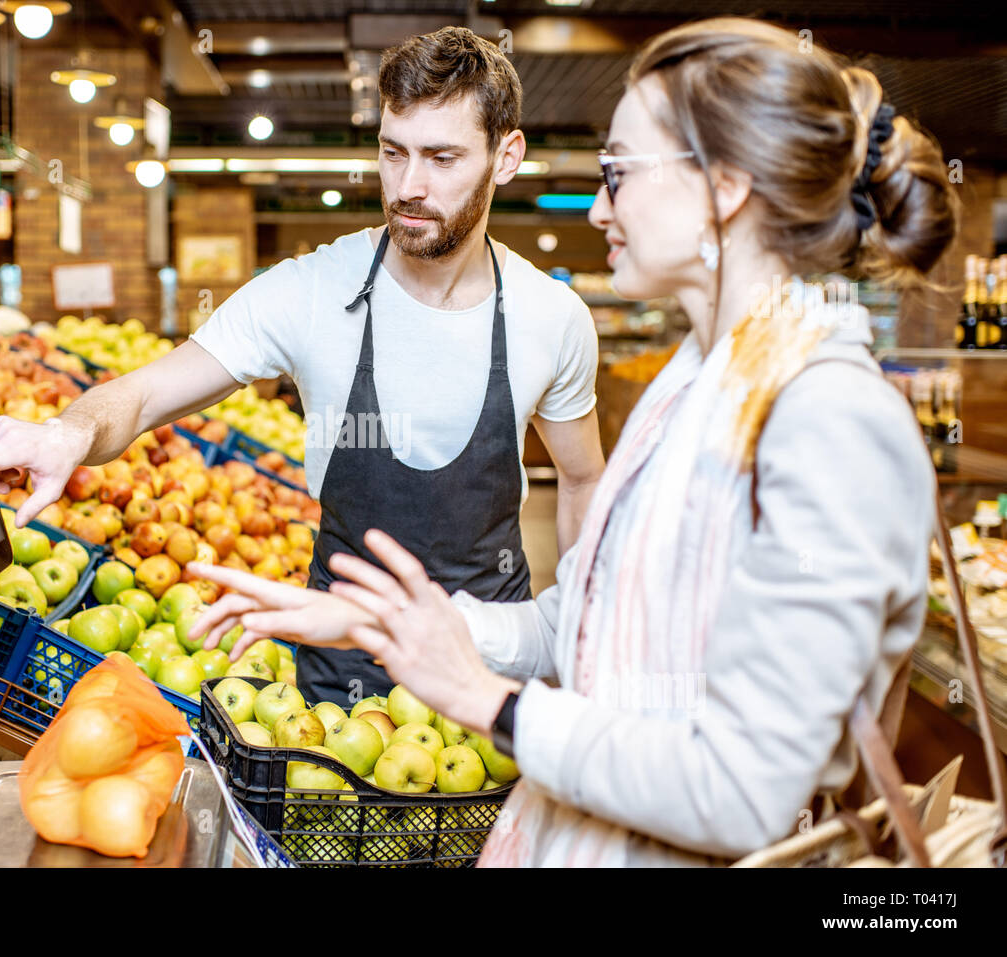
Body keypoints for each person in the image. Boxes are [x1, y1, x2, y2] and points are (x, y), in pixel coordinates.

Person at [186, 17, 958, 866]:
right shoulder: (701, 382)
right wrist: (374, 620)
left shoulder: (831, 421)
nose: (596, 207)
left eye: (618, 174)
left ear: (725, 185)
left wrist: (491, 704)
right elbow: (587, 621)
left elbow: (744, 789)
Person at [0, 26, 606, 707]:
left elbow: (584, 478)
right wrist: (69, 433)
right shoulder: (311, 291)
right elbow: (145, 394)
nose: (409, 186)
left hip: (492, 670)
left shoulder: (549, 317)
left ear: (507, 156)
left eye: (443, 158)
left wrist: (582, 647)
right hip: (341, 684)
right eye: (393, 152)